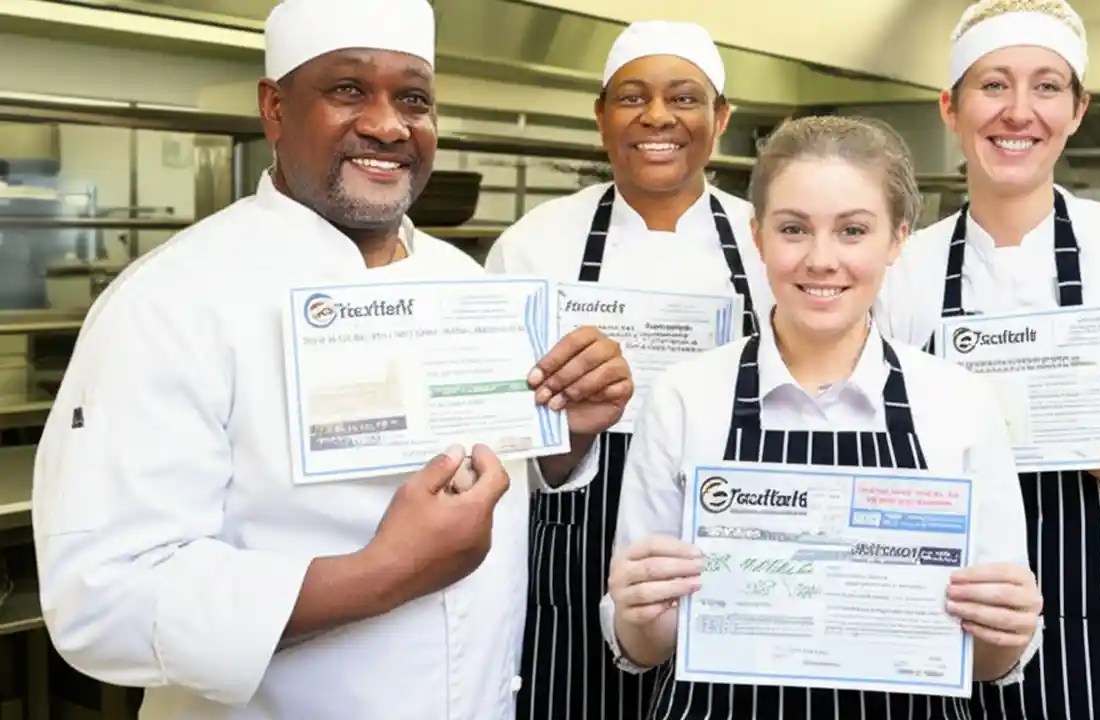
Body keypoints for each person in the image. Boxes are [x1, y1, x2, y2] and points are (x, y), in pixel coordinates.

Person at [30, 0, 631, 717]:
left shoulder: (470, 290)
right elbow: (102, 599)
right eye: (348, 89)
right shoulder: (172, 301)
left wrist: (565, 441)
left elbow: (490, 497)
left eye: (413, 98)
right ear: (275, 107)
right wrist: (382, 575)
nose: (387, 124)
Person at [602, 115, 1043, 719]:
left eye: (853, 231)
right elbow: (643, 647)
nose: (821, 259)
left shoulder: (960, 404)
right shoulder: (685, 397)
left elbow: (992, 662)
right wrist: (637, 614)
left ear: (897, 240)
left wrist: (1007, 630)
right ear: (756, 236)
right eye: (793, 229)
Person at [874, 1, 1100, 717]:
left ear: (1077, 108)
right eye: (993, 85)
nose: (1018, 111)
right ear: (951, 106)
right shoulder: (900, 269)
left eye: (1046, 86)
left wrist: (1056, 418)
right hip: (945, 598)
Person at [484, 20, 771, 720]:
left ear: (721, 118)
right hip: (570, 545)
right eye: (632, 97)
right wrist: (570, 437)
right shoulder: (533, 247)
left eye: (685, 98)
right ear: (601, 116)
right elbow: (494, 433)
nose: (658, 117)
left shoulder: (771, 240)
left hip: (729, 539)